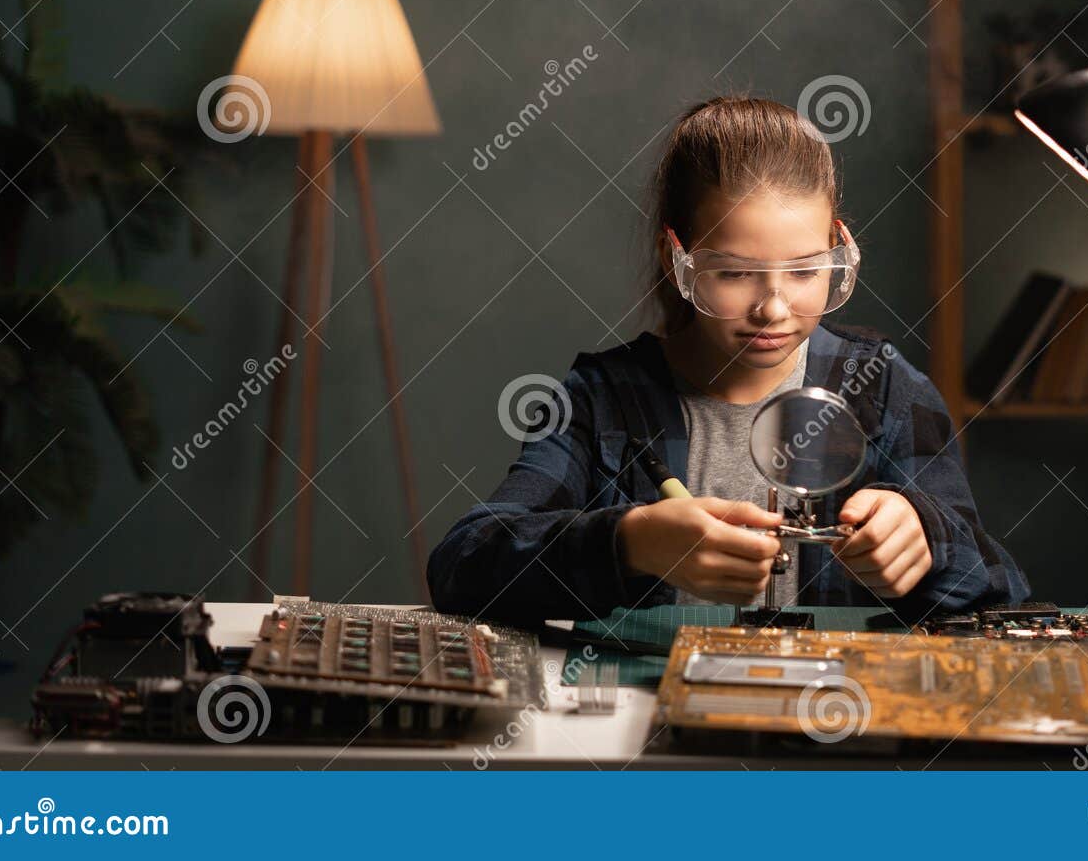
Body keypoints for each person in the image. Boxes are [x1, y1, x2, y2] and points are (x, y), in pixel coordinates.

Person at [427, 96, 1028, 622]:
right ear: (678, 259)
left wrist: (926, 536)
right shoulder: (603, 398)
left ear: (837, 250)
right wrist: (629, 542)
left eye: (803, 271)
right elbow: (465, 564)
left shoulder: (883, 389)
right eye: (735, 272)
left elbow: (1006, 593)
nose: (772, 309)